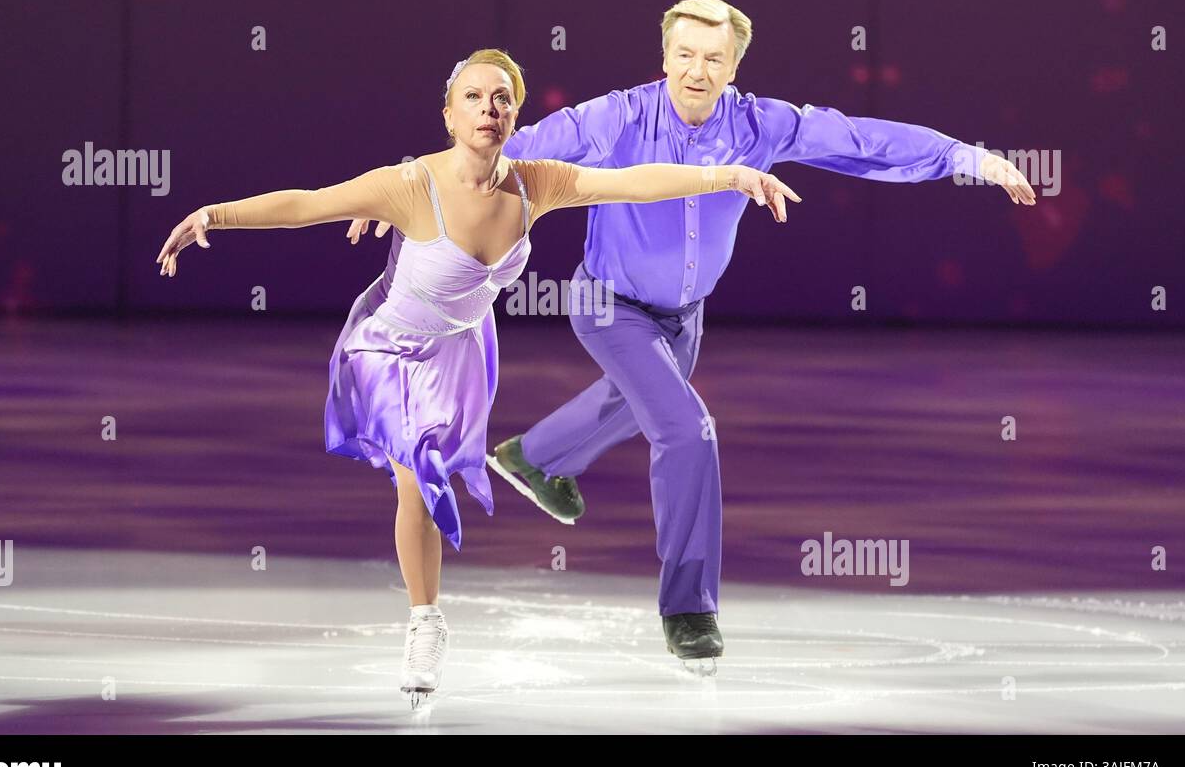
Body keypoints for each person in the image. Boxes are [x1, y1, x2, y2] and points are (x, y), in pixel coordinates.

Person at [351, 0, 1037, 677]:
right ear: (664, 57)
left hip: (685, 316)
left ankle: (535, 458)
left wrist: (967, 158)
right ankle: (688, 608)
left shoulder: (762, 125)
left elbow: (859, 140)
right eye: (683, 55)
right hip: (607, 301)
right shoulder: (620, 114)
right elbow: (516, 149)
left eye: (713, 58)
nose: (695, 71)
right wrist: (421, 191)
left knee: (639, 396)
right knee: (688, 429)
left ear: (734, 66)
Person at [154, 48, 799, 706]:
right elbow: (307, 204)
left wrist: (731, 175)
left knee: (428, 472)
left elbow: (631, 182)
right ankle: (425, 622)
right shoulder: (410, 185)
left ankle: (436, 596)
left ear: (514, 116)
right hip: (390, 348)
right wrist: (213, 216)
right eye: (473, 98)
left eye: (502, 100)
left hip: (461, 350)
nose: (488, 110)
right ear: (448, 115)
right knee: (419, 470)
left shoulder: (534, 182)